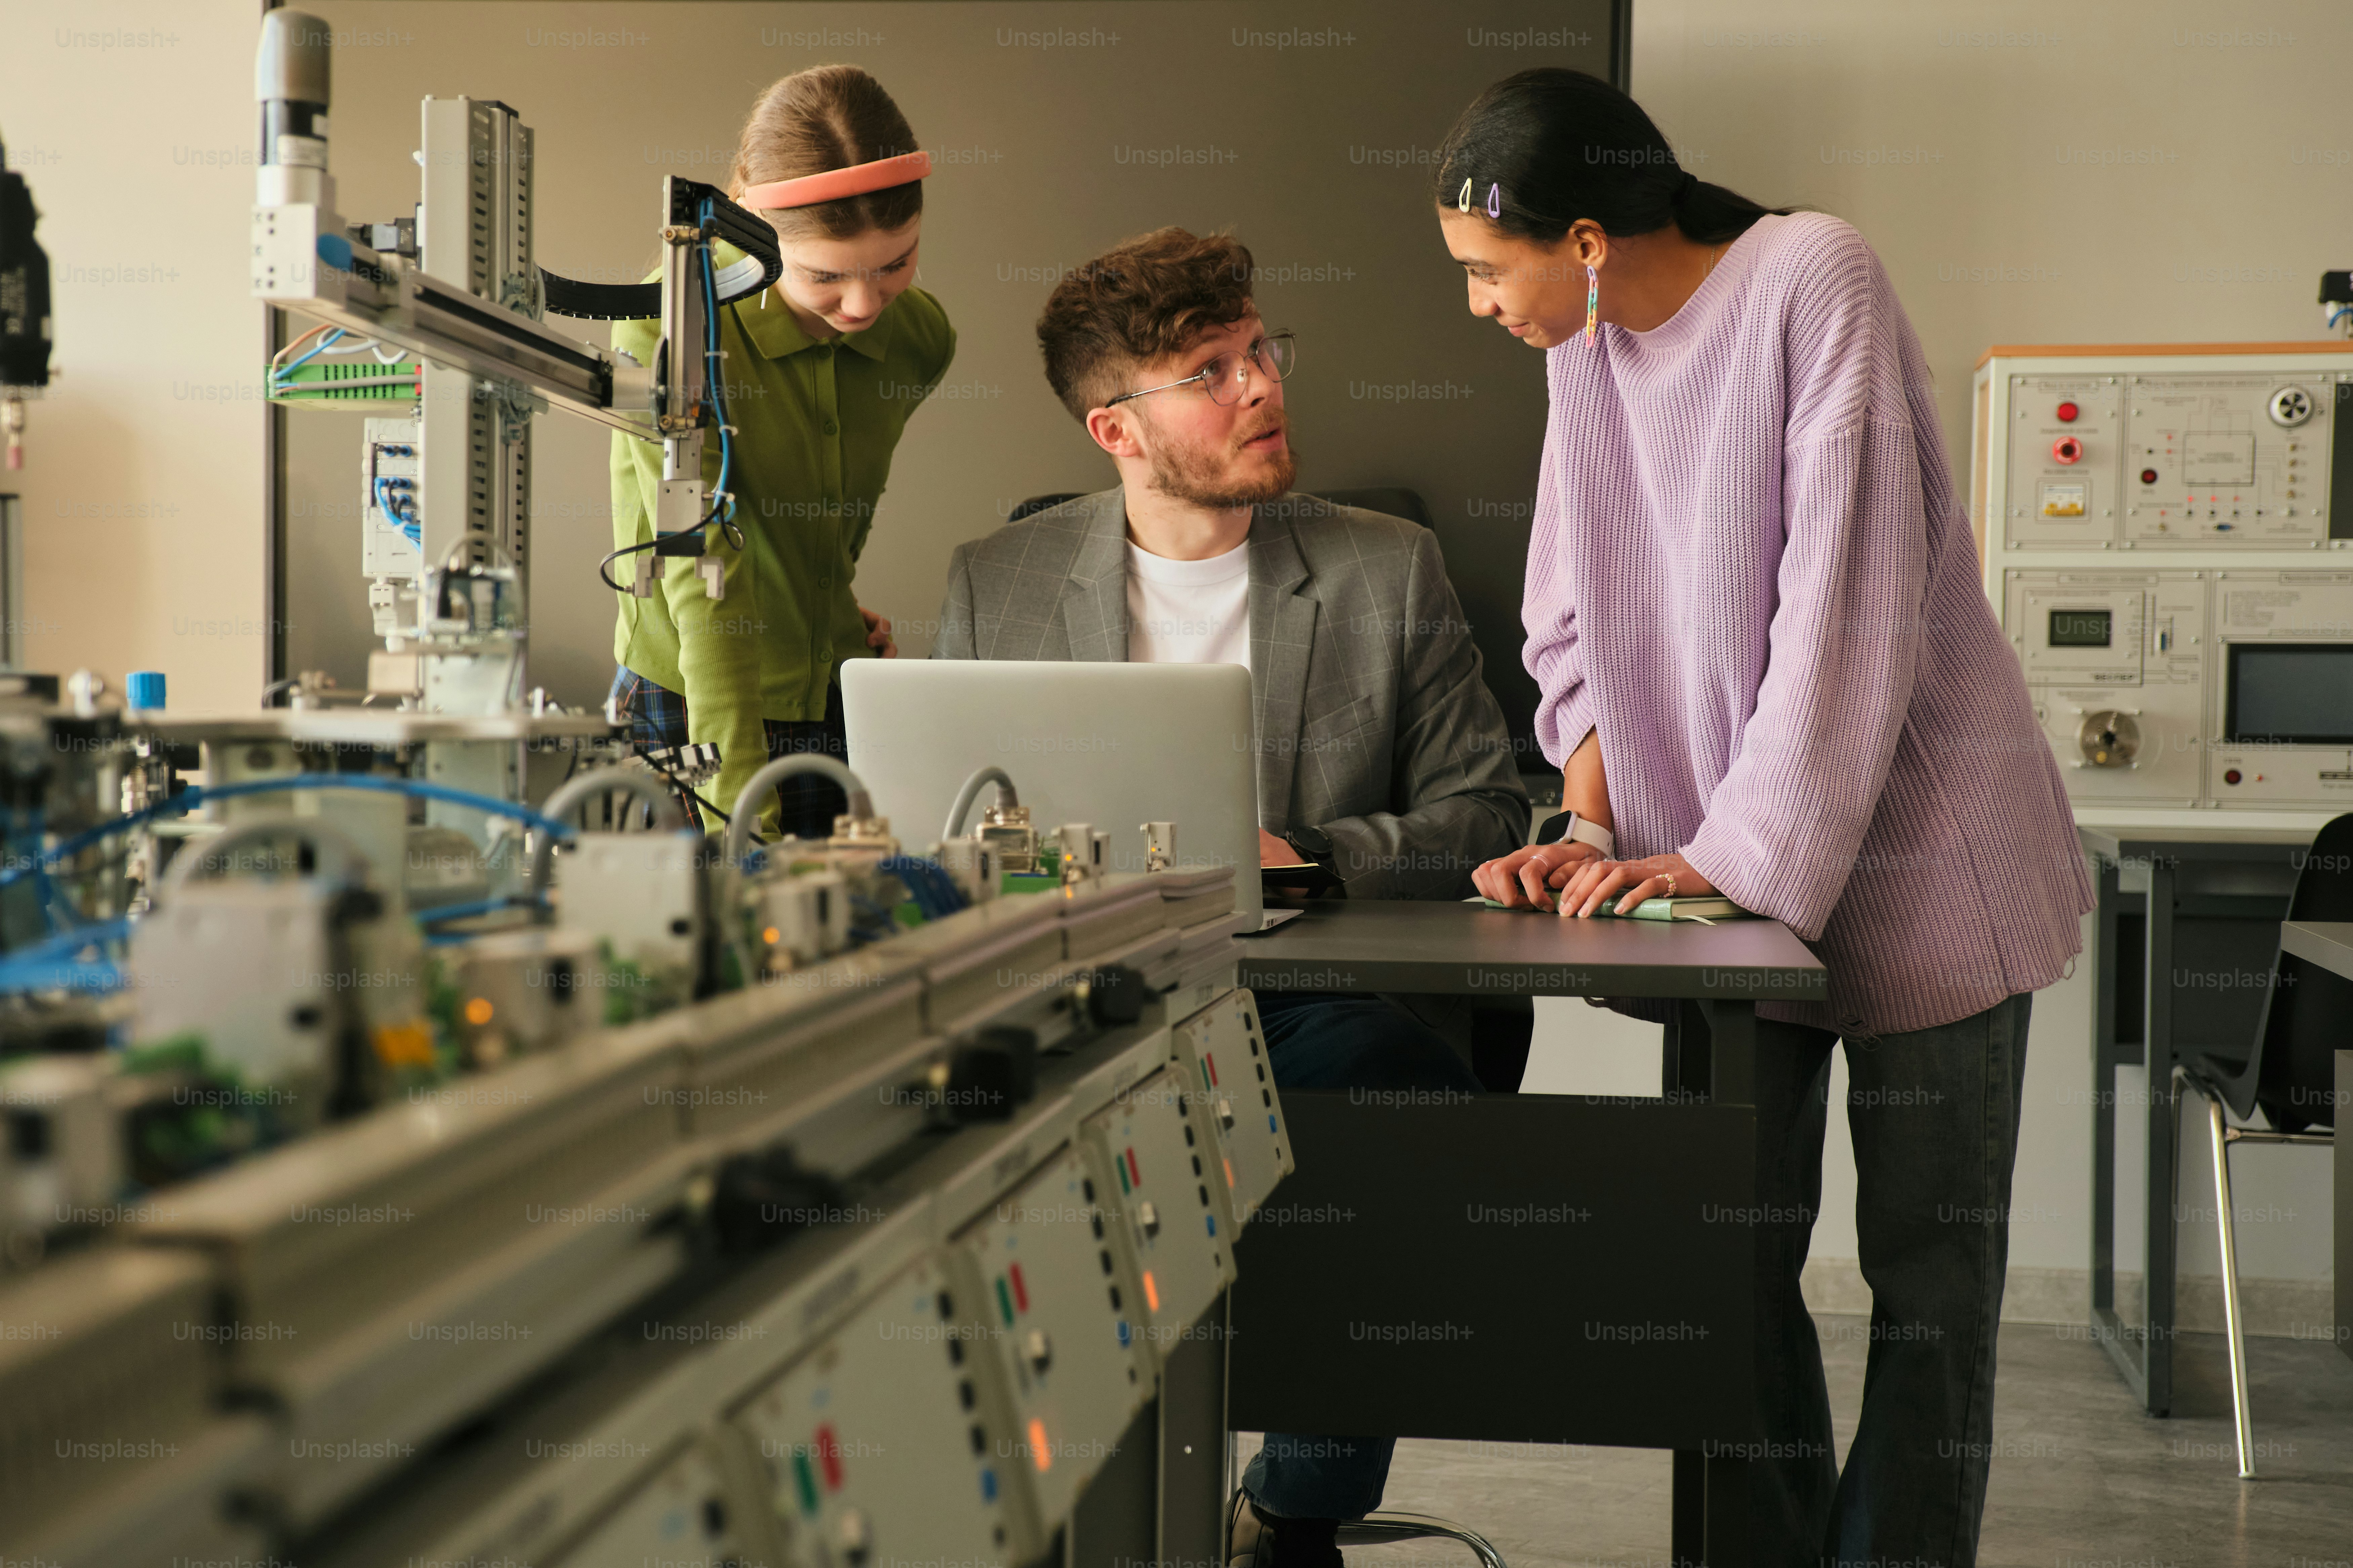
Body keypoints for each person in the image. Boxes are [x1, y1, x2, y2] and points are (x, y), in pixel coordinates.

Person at [1447, 70, 2092, 1568]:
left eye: (1486, 272)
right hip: (1718, 877)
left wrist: (1732, 860)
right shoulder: (1585, 351)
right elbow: (1573, 624)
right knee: (1721, 1268)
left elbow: (1845, 615)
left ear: (1588, 236)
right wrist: (1593, 827)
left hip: (1923, 853)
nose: (1477, 306)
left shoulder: (1815, 277)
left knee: (1930, 1287)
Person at [930, 225, 1528, 1566]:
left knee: (1390, 1086)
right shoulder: (999, 581)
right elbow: (949, 831)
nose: (1260, 386)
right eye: (1210, 370)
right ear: (1116, 429)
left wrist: (1301, 854)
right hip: (1083, 996)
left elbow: (1485, 811)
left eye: (1260, 350)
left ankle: (1296, 1499)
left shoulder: (1385, 568)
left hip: (1297, 994)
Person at [608, 66, 954, 836]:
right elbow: (701, 589)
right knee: (705, 944)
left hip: (831, 692)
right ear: (746, 232)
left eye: (895, 262)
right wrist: (741, 822)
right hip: (688, 700)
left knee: (835, 948)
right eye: (825, 275)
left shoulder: (922, 340)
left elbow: (830, 510)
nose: (863, 305)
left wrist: (815, 597)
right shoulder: (666, 330)